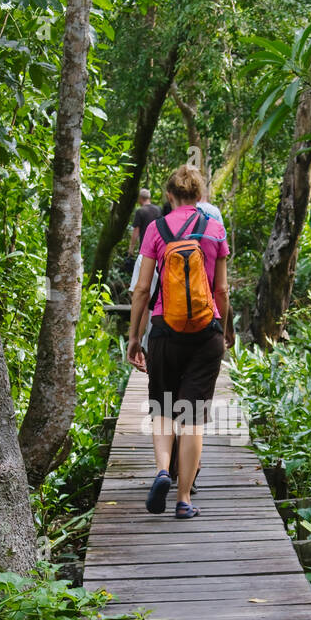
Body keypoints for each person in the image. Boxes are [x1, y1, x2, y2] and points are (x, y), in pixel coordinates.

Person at [127, 165, 234, 519]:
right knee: (192, 416)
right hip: (206, 334)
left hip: (164, 332)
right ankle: (184, 499)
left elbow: (142, 288)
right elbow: (220, 289)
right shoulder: (215, 229)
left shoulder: (156, 229)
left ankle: (162, 471)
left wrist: (134, 337)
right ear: (201, 196)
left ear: (169, 196)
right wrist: (226, 327)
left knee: (162, 408)